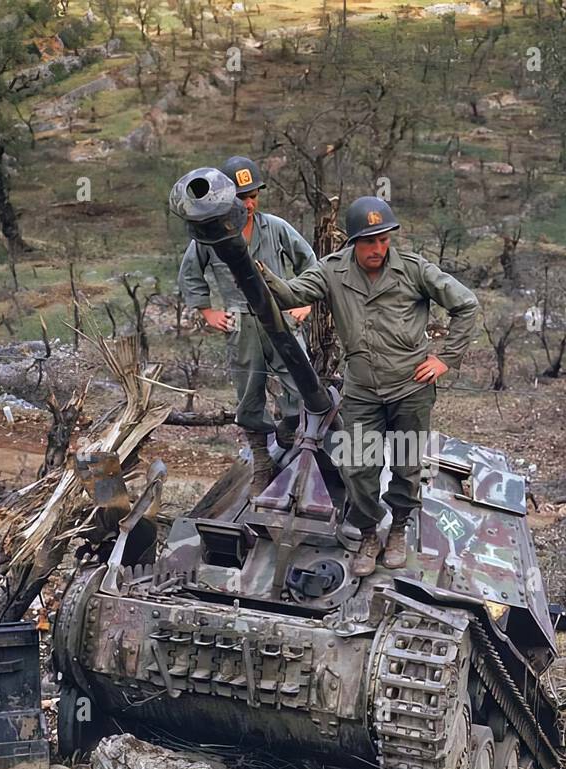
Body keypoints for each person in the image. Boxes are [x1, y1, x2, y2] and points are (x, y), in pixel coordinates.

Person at [259, 195, 479, 576]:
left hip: (410, 387)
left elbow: (466, 304)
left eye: (384, 239)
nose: (378, 248)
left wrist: (445, 359)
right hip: (361, 391)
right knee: (358, 467)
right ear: (354, 242)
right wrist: (258, 274)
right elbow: (292, 294)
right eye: (369, 241)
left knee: (407, 465)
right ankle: (368, 533)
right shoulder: (332, 270)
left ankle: (397, 528)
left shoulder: (414, 270)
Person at [176, 155, 316, 494]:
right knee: (249, 394)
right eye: (241, 197)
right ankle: (261, 461)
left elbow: (309, 262)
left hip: (281, 316)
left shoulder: (276, 227)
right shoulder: (210, 238)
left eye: (253, 195)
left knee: (301, 384)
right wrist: (208, 312)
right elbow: (190, 275)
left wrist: (305, 301)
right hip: (241, 324)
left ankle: (290, 432)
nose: (249, 203)